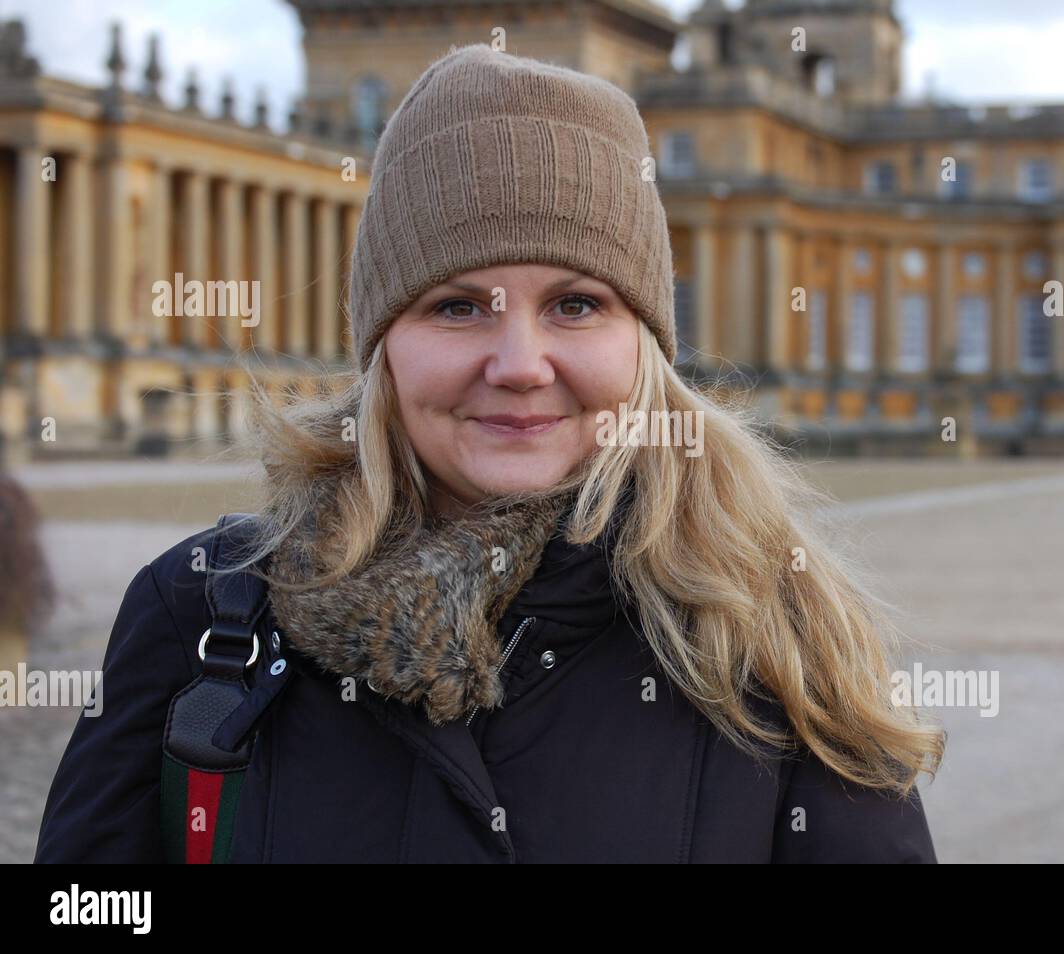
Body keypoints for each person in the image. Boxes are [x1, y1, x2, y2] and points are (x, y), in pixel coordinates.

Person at [35, 43, 944, 863]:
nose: (519, 366)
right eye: (457, 305)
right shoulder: (197, 614)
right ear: (381, 345)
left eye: (577, 304)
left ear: (647, 344)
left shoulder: (781, 642)